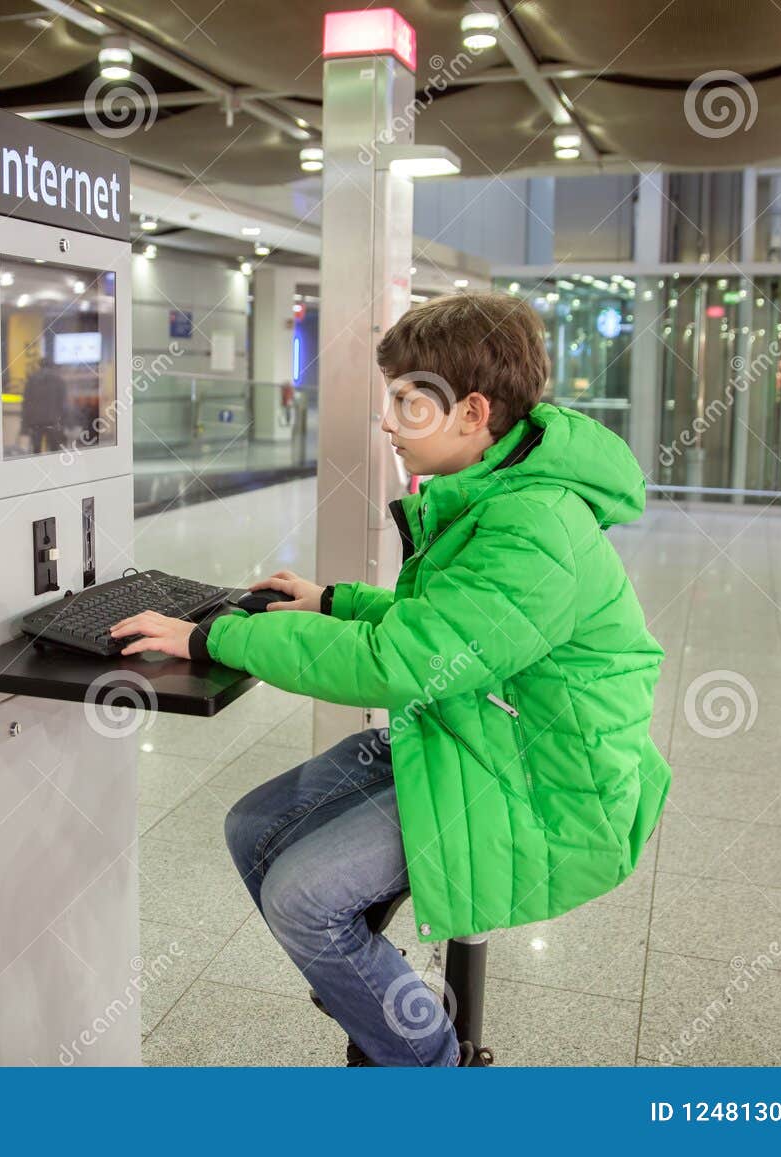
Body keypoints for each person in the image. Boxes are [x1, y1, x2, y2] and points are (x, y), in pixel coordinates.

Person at [112, 292, 671, 1067]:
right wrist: (334, 601)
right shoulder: (497, 489)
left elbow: (401, 660)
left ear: (472, 412)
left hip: (544, 780)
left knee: (302, 898)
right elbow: (444, 624)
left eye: (408, 403)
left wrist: (217, 637)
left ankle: (429, 1069)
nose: (388, 422)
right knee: (253, 828)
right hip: (473, 730)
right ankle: (384, 1005)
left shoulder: (533, 525)